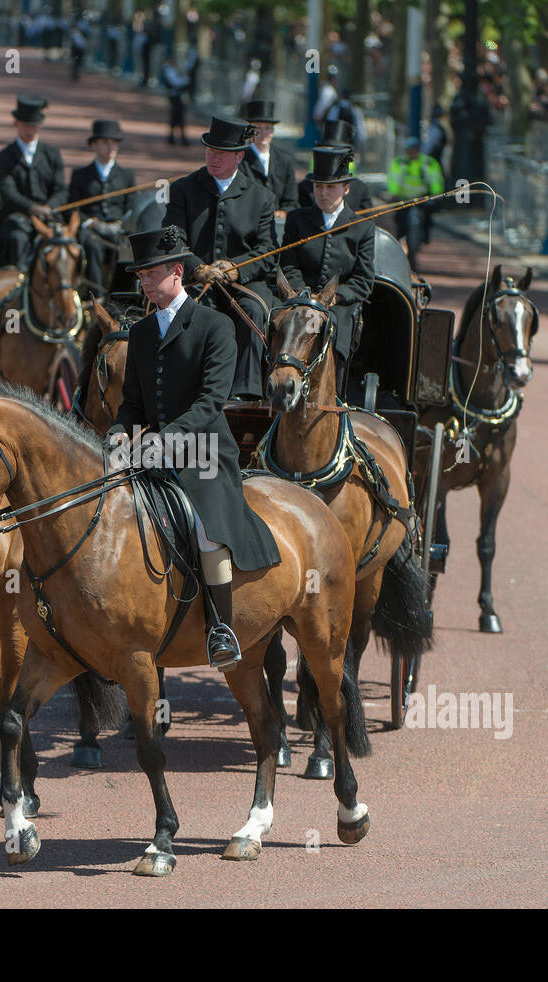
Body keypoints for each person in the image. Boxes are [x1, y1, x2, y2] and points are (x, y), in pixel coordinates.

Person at [105, 226, 281, 669]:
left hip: (204, 451)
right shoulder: (141, 333)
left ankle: (220, 627)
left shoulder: (215, 326)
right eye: (140, 275)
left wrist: (162, 441)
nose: (143, 282)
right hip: (153, 451)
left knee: (206, 528)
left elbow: (210, 403)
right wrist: (120, 432)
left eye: (150, 273)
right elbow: (132, 403)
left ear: (177, 272)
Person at [162, 114, 278, 400]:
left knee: (253, 311)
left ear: (239, 156)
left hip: (242, 284)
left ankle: (245, 393)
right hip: (193, 280)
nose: (213, 158)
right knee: (184, 310)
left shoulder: (261, 197)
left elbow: (268, 252)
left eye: (222, 154)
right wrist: (197, 268)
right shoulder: (182, 190)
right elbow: (172, 239)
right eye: (210, 151)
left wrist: (235, 268)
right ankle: (181, 387)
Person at [278, 146, 376, 396]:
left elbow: (363, 281)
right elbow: (288, 265)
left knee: (333, 326)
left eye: (330, 187)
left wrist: (334, 298)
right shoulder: (297, 220)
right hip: (298, 301)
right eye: (318, 187)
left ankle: (332, 394)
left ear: (346, 188)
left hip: (338, 307)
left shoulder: (362, 228)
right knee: (280, 324)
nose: (323, 193)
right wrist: (303, 296)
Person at [0, 95, 68, 268]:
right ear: (16, 123)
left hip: (49, 217)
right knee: (18, 240)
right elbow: (7, 191)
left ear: (40, 125)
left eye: (33, 125)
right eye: (25, 125)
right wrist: (32, 208)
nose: (29, 130)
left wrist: (49, 207)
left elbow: (61, 189)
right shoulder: (3, 157)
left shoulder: (52, 155)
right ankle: (20, 286)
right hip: (19, 217)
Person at [67, 118, 136, 293]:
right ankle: (95, 295)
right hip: (91, 231)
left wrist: (121, 224)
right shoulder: (80, 175)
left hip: (118, 229)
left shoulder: (126, 175)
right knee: (92, 246)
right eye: (105, 142)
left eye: (114, 142)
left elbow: (131, 206)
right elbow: (73, 207)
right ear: (94, 145)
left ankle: (122, 295)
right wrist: (90, 223)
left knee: (126, 249)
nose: (110, 147)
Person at [386, 135, 444, 273]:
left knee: (427, 221)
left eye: (415, 149)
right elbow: (394, 180)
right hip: (403, 200)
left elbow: (435, 179)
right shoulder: (399, 163)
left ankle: (423, 238)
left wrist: (436, 194)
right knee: (400, 225)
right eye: (410, 149)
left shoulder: (428, 163)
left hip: (421, 201)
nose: (412, 152)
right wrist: (393, 193)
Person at [296, 118, 374, 212]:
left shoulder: (361, 189)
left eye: (337, 151)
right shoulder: (305, 187)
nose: (323, 193)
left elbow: (367, 222)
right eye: (327, 150)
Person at [239, 100, 297, 215]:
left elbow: (292, 201)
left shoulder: (285, 160)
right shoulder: (241, 159)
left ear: (273, 131)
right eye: (258, 128)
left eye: (267, 128)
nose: (263, 133)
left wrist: (284, 212)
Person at [161, 54, 189, 145]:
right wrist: (186, 81)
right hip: (175, 96)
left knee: (176, 117)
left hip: (174, 95)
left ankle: (174, 137)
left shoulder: (168, 69)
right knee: (178, 117)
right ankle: (179, 138)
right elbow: (175, 83)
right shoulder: (169, 70)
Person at [423, 104, 448, 174]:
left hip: (433, 161)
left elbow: (427, 148)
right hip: (434, 161)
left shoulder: (435, 129)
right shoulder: (437, 128)